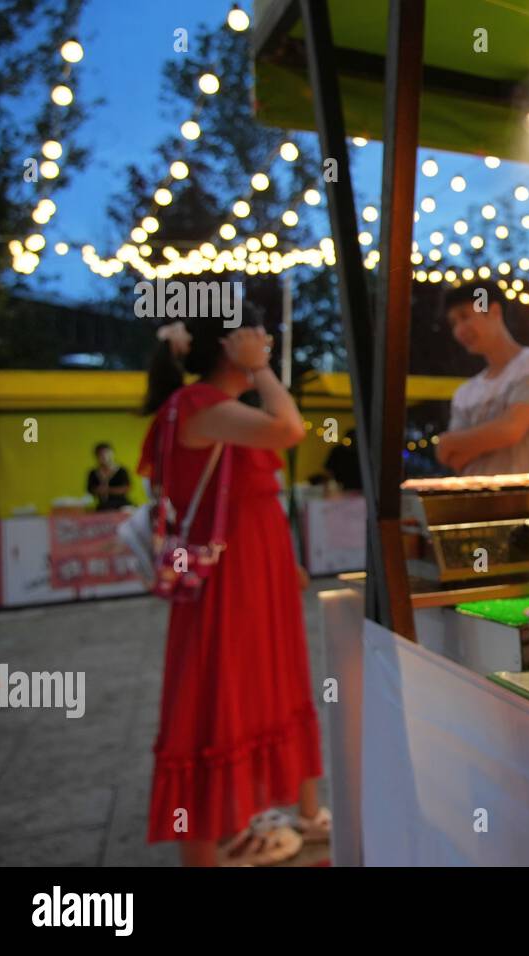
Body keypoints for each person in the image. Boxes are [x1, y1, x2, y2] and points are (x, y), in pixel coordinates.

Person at [139, 317, 328, 866]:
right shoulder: (198, 404)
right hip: (228, 582)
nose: (266, 345)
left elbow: (245, 494)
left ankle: (233, 825)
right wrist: (261, 368)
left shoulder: (212, 409)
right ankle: (202, 846)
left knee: (248, 692)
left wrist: (285, 558)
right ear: (228, 345)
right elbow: (290, 429)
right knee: (213, 697)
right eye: (256, 336)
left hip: (254, 574)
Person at [436, 282, 529, 476]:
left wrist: (453, 440)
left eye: (464, 316)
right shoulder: (465, 392)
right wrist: (513, 427)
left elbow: (511, 430)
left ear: (493, 311)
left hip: (526, 499)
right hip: (472, 500)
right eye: (453, 323)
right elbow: (451, 457)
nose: (459, 330)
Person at [87, 442, 131, 511]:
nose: (105, 456)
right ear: (97, 456)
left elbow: (127, 488)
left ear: (112, 454)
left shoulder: (121, 471)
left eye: (107, 453)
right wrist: (98, 490)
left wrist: (108, 490)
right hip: (103, 506)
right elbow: (90, 489)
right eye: (101, 454)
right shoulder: (93, 473)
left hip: (122, 504)